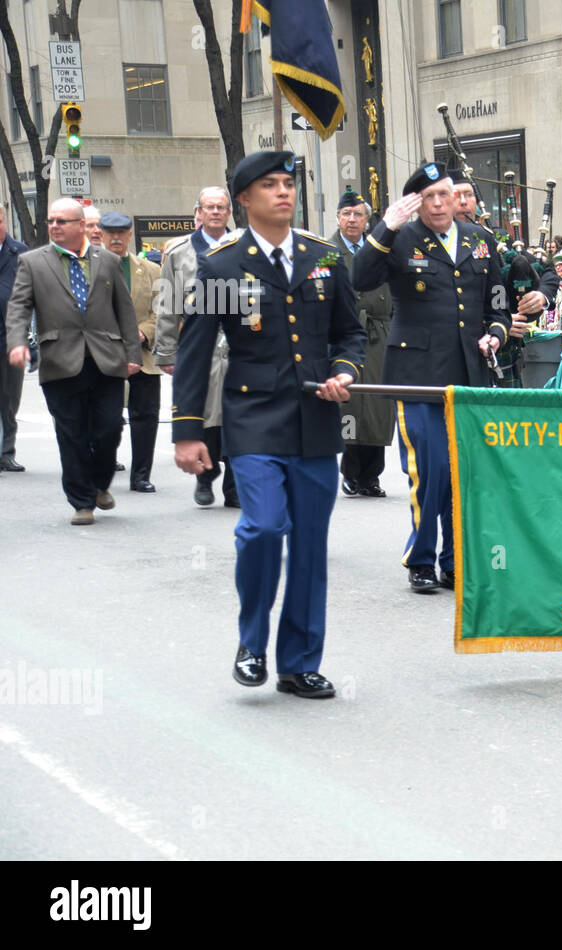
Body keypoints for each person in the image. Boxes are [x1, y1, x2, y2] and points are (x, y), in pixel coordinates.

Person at [172, 150, 366, 699]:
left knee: (309, 545)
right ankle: (252, 641)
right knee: (262, 527)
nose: (284, 193)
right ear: (243, 199)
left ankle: (300, 662)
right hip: (254, 417)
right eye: (270, 185)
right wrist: (188, 431)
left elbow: (350, 334)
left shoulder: (324, 258)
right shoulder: (222, 265)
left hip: (316, 419)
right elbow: (194, 350)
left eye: (288, 184)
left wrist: (344, 372)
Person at [353, 160, 510, 593]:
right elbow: (359, 277)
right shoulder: (400, 239)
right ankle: (420, 558)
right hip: (417, 374)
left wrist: (496, 333)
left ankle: (454, 559)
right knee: (431, 469)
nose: (440, 203)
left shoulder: (480, 240)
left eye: (445, 194)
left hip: (467, 374)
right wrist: (384, 227)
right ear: (417, 203)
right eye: (429, 197)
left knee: (464, 472)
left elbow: (496, 301)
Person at [5, 198, 140, 524]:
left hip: (105, 359)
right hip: (60, 361)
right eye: (52, 221)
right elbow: (19, 307)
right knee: (72, 433)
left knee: (109, 428)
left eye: (62, 221)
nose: (54, 226)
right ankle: (82, 501)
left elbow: (124, 309)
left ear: (81, 226)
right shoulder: (32, 262)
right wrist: (17, 342)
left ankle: (100, 482)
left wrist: (133, 354)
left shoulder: (107, 260)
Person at [155, 185, 242, 508]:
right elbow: (168, 305)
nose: (216, 212)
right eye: (210, 207)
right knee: (204, 416)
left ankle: (235, 487)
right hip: (199, 346)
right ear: (199, 213)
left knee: (238, 417)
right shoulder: (179, 253)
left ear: (229, 212)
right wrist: (166, 352)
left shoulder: (245, 246)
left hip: (237, 345)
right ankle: (206, 475)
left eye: (221, 207)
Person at [332, 187, 394, 497]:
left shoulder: (379, 250)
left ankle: (373, 475)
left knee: (379, 405)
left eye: (358, 214)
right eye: (347, 214)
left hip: (380, 334)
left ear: (367, 220)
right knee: (351, 403)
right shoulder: (327, 251)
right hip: (346, 333)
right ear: (338, 218)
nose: (352, 220)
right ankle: (351, 472)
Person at [99, 212, 164, 492]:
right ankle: (102, 469)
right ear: (101, 235)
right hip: (104, 355)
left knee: (146, 416)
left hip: (143, 355)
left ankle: (141, 475)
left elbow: (163, 311)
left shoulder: (151, 271)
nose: (116, 238)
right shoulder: (89, 268)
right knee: (107, 419)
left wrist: (143, 332)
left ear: (129, 236)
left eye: (121, 233)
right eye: (110, 233)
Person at [0, 205, 29, 473]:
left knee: (10, 399)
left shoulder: (19, 253)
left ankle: (6, 452)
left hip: (11, 339)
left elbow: (31, 298)